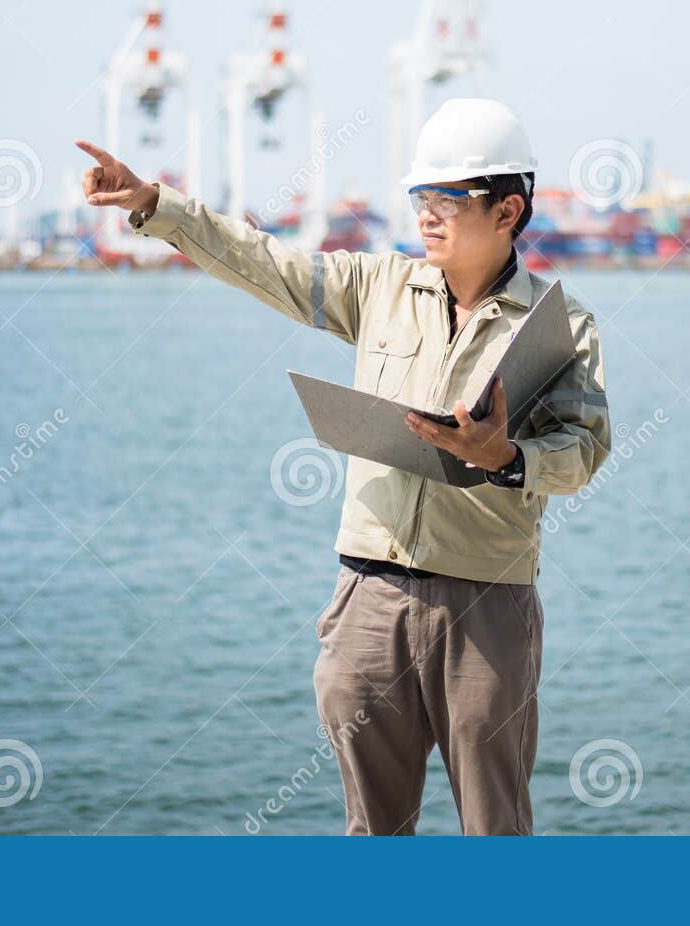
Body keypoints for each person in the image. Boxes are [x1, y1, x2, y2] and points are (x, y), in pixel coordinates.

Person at [78, 97, 611, 835]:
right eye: (420, 198)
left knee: (496, 833)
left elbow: (583, 449)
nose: (425, 215)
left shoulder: (565, 326)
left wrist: (508, 458)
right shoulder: (380, 288)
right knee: (374, 835)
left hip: (487, 607)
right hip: (370, 595)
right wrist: (156, 206)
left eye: (447, 199)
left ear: (507, 210)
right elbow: (263, 261)